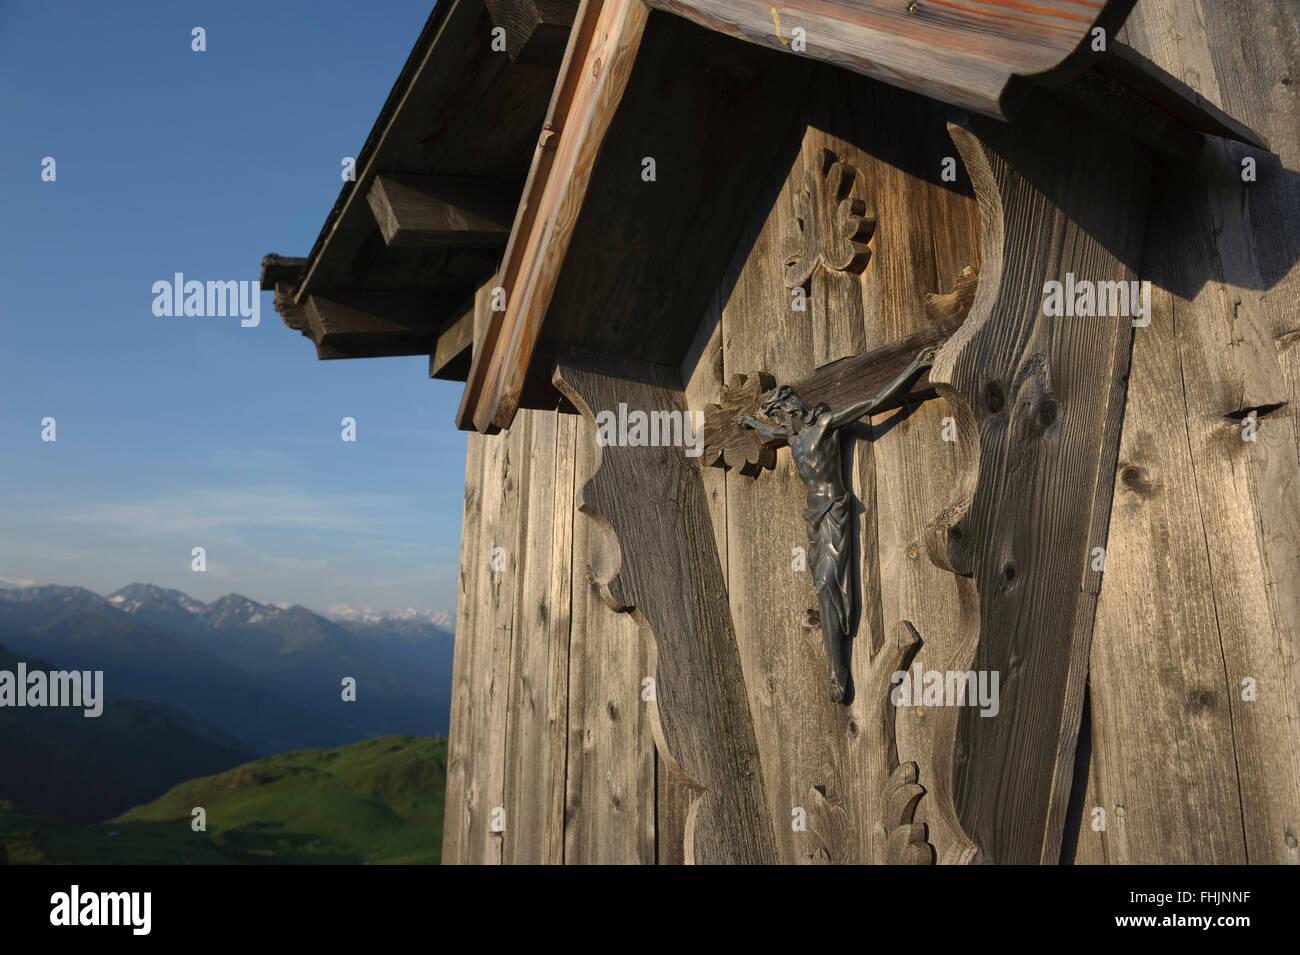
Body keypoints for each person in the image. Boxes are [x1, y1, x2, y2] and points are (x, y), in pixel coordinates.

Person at [737, 347, 936, 702]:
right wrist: (752, 424)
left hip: (834, 510)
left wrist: (914, 367)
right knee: (821, 586)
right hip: (812, 518)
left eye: (780, 417)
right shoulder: (793, 438)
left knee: (829, 583)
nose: (780, 425)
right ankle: (836, 663)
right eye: (777, 421)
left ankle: (837, 669)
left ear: (791, 410)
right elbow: (769, 432)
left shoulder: (826, 426)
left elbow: (875, 400)